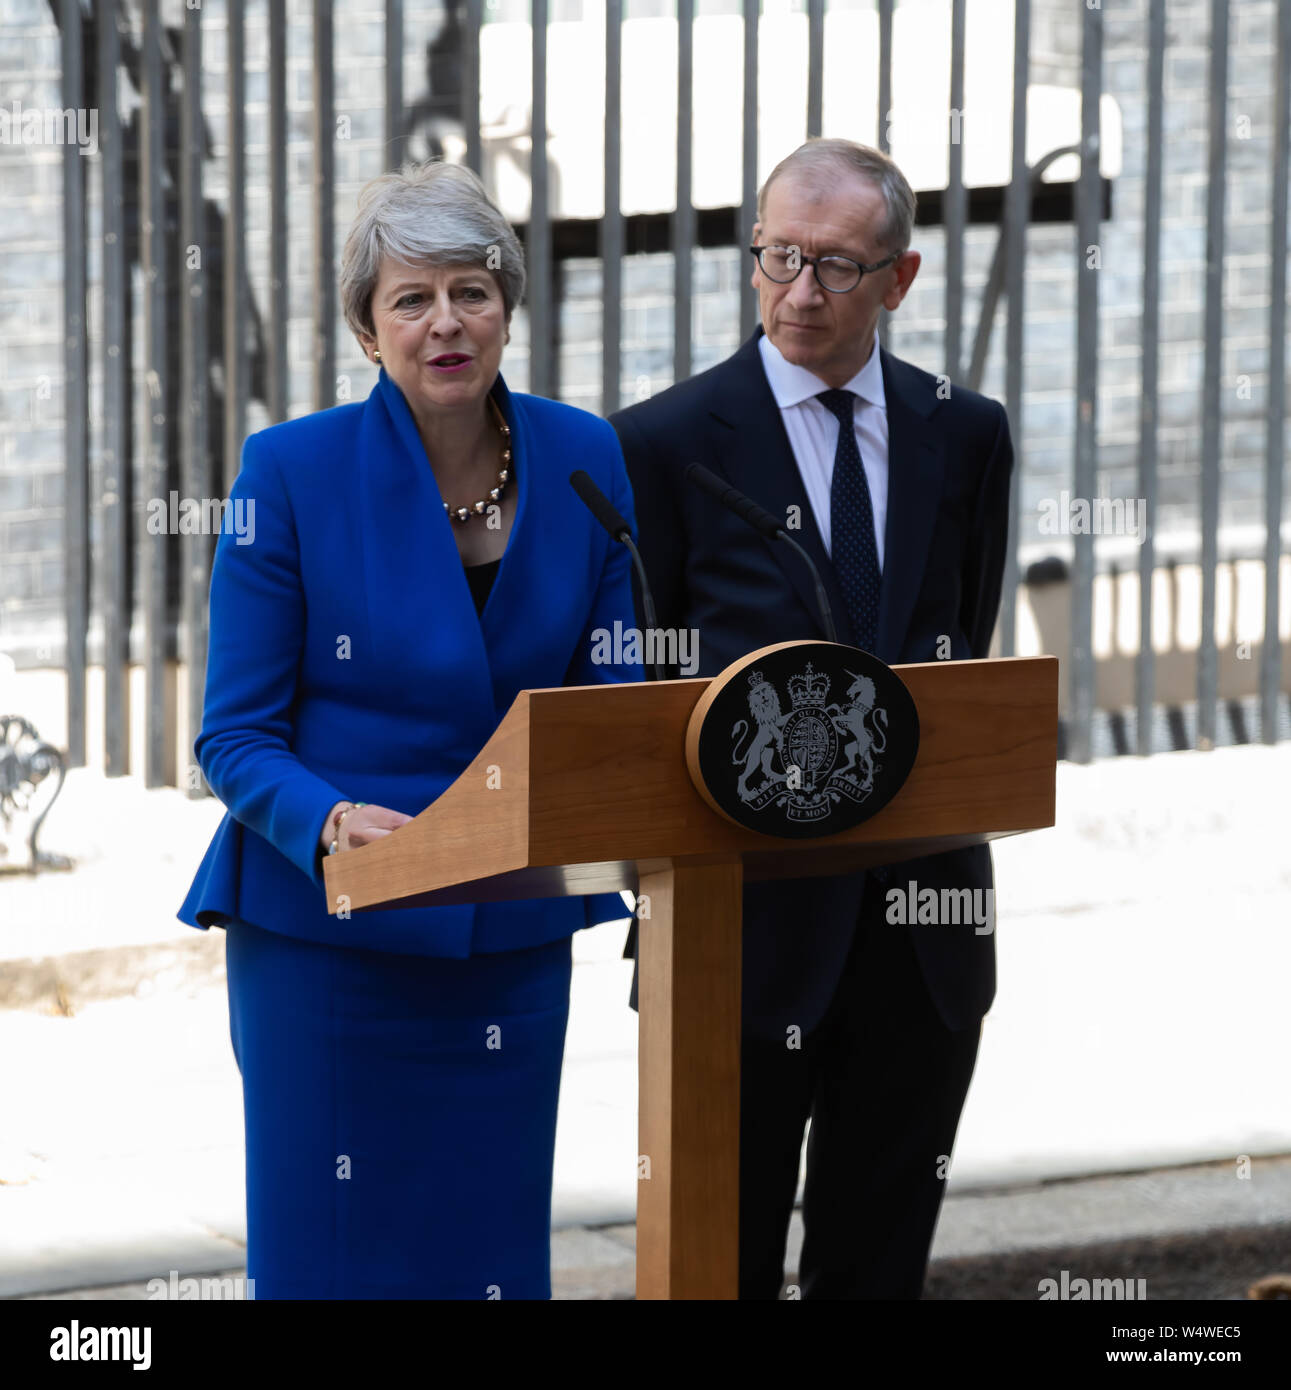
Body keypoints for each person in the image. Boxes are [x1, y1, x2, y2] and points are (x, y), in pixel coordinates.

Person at [178, 160, 640, 1299]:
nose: (446, 322)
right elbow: (233, 735)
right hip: (332, 940)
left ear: (509, 304)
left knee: (484, 1251)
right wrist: (326, 819)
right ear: (366, 326)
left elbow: (608, 705)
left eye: (471, 290)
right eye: (411, 298)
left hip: (511, 934)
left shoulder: (587, 458)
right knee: (334, 1258)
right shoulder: (286, 473)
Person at [609, 138, 1014, 1299]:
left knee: (875, 1266)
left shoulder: (963, 431)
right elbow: (646, 687)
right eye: (778, 257)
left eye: (835, 266)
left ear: (901, 278)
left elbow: (953, 652)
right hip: (737, 936)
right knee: (717, 1264)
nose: (799, 292)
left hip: (920, 927)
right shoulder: (666, 443)